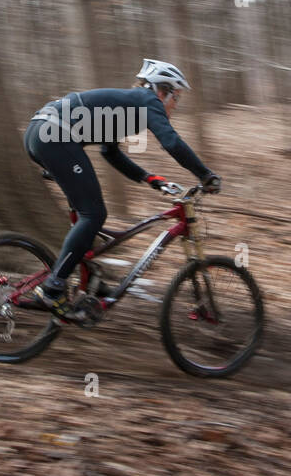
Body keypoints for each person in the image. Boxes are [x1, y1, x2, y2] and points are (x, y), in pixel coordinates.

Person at [23, 59, 221, 319]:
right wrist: (205, 175)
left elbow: (110, 152)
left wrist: (150, 179)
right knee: (93, 215)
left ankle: (87, 276)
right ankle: (52, 289)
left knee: (87, 216)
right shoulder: (147, 100)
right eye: (176, 97)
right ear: (162, 91)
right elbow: (171, 142)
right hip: (55, 136)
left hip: (40, 134)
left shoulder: (130, 106)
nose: (176, 104)